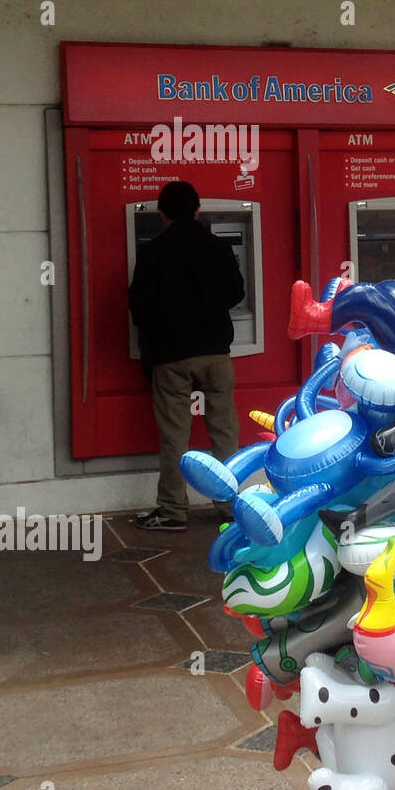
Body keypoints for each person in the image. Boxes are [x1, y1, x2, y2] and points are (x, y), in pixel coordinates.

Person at [127, 181, 245, 531]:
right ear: (198, 210)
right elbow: (236, 293)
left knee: (175, 436)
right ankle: (229, 507)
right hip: (215, 354)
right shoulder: (218, 247)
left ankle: (173, 511)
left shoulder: (153, 251)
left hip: (171, 357)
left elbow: (139, 306)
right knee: (225, 433)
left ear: (162, 214)